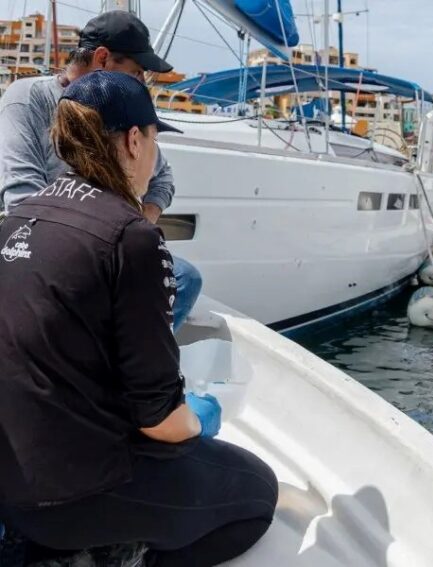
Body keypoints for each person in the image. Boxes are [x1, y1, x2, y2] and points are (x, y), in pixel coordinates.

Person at [0, 72, 277, 566]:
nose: (154, 153)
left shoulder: (16, 219)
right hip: (73, 496)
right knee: (257, 493)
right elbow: (160, 422)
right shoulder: (130, 238)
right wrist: (200, 415)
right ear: (134, 140)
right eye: (153, 138)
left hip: (11, 483)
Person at [0, 10, 201, 331]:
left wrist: (134, 234)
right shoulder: (28, 99)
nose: (141, 84)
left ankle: (102, 368)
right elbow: (21, 200)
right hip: (37, 246)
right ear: (103, 59)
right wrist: (103, 247)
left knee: (184, 277)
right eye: (137, 73)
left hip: (103, 249)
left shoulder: (118, 107)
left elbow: (162, 178)